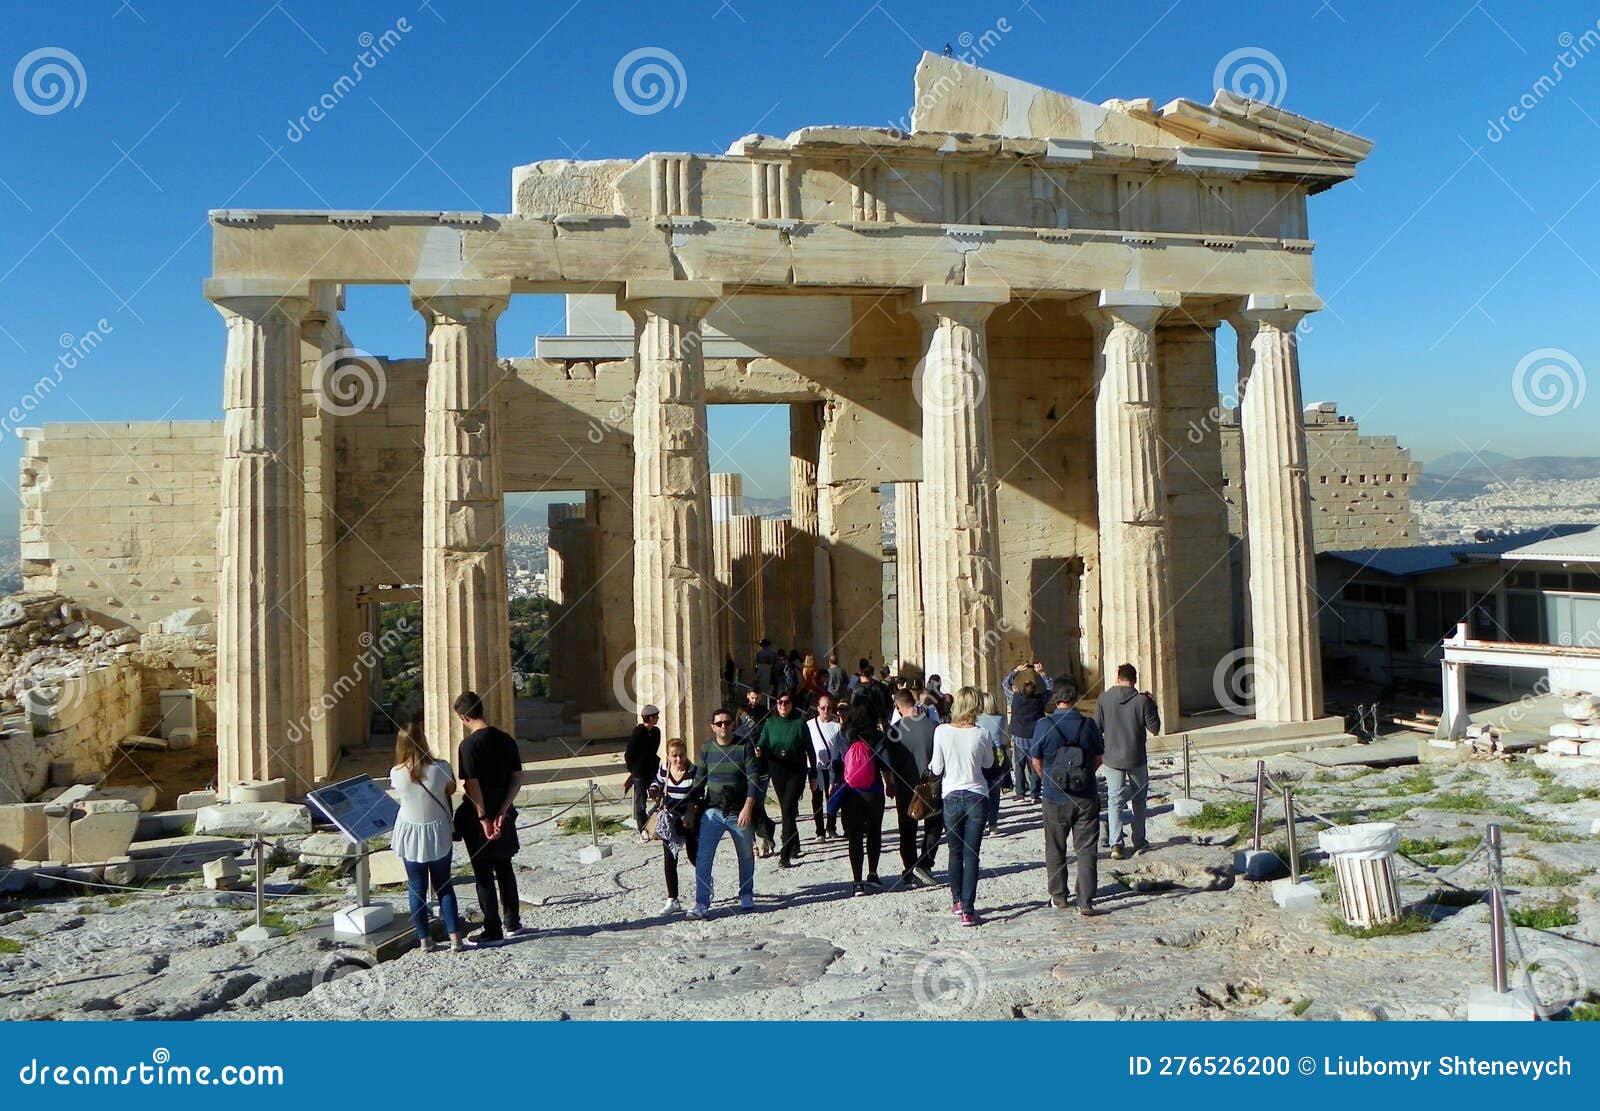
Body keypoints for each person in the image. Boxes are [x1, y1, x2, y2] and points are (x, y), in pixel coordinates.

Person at [390, 713, 466, 952]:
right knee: (444, 884)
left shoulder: (396, 772)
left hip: (410, 832)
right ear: (423, 740)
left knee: (416, 886)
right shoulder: (442, 767)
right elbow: (450, 790)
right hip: (438, 830)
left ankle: (424, 940)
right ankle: (455, 937)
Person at [1029, 679, 1105, 916]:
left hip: (1054, 796)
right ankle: (1085, 900)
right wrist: (1084, 777)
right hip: (1085, 795)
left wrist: (1048, 779)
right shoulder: (1088, 724)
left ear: (1056, 699)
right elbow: (1099, 757)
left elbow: (1035, 760)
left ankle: (1059, 896)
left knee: (1054, 847)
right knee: (1086, 848)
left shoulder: (1044, 724)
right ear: (1075, 699)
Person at [453, 690, 523, 943]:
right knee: (505, 868)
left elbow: (472, 785)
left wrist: (484, 818)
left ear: (464, 717)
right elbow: (517, 778)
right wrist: (503, 810)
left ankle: (492, 929)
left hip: (477, 816)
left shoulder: (469, 745)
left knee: (483, 873)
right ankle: (513, 923)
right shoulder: (506, 740)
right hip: (504, 812)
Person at [688, 708, 762, 918]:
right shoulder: (706, 749)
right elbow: (699, 781)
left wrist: (748, 807)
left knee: (746, 855)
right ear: (713, 727)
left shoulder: (744, 746)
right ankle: (702, 902)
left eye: (727, 722)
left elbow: (753, 779)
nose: (723, 726)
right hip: (713, 811)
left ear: (733, 725)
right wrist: (691, 810)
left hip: (739, 811)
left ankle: (746, 893)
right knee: (703, 857)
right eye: (719, 723)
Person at [932, 687, 994, 926]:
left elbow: (937, 768)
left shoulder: (941, 731)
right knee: (972, 854)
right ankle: (969, 908)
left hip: (951, 795)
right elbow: (988, 763)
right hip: (976, 795)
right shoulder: (982, 733)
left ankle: (957, 900)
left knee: (955, 851)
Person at [1095, 663, 1161, 859]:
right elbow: (1155, 728)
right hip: (1136, 757)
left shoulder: (1103, 698)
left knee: (1114, 801)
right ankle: (1139, 840)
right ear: (1135, 680)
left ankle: (1116, 844)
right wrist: (1152, 703)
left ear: (1118, 678)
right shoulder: (1142, 701)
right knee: (1139, 801)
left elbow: (1096, 727)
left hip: (1112, 757)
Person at [829, 702, 893, 896]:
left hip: (850, 791)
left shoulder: (842, 735)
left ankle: (857, 881)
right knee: (874, 832)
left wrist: (833, 783)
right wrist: (889, 784)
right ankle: (872, 874)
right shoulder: (878, 736)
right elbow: (886, 764)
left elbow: (835, 763)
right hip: (873, 790)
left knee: (855, 836)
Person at [886, 688, 940, 887]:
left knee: (907, 831)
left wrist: (890, 783)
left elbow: (890, 762)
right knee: (934, 825)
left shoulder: (894, 732)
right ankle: (925, 862)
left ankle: (909, 870)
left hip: (905, 786)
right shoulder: (934, 726)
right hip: (930, 785)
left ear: (898, 707)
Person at [757, 692, 812, 867]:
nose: (783, 706)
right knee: (787, 810)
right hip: (777, 769)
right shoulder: (770, 723)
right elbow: (763, 742)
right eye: (779, 702)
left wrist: (814, 776)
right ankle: (794, 843)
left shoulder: (800, 723)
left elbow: (810, 749)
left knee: (787, 809)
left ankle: (785, 854)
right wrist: (758, 750)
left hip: (796, 770)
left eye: (786, 703)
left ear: (792, 704)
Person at [651, 738, 698, 915]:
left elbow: (698, 794)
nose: (679, 759)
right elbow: (656, 781)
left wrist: (691, 813)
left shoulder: (693, 771)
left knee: (694, 856)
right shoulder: (665, 768)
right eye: (675, 756)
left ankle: (705, 888)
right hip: (670, 819)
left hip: (689, 819)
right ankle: (672, 899)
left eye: (682, 755)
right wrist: (654, 789)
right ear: (669, 757)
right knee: (670, 860)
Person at [1004, 664, 1050, 802]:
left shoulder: (1015, 698)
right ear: (1035, 691)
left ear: (1022, 690)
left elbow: (1005, 684)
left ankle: (1020, 793)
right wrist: (1041, 673)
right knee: (1035, 765)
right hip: (1035, 737)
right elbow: (1050, 688)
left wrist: (1016, 671)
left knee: (1019, 766)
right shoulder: (1040, 700)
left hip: (1019, 737)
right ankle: (1035, 794)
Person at [806, 694, 845, 840]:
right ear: (818, 708)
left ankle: (831, 827)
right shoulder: (809, 725)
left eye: (829, 707)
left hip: (832, 768)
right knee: (816, 799)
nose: (826, 710)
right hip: (815, 768)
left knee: (832, 798)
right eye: (823, 707)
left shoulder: (837, 726)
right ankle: (819, 831)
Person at [623, 705, 662, 844]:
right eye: (656, 716)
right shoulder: (638, 732)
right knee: (640, 802)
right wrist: (633, 771)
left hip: (653, 770)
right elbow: (630, 754)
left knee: (660, 797)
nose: (658, 718)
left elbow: (653, 750)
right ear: (650, 718)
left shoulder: (656, 732)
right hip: (639, 773)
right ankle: (643, 829)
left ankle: (654, 824)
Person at [977, 692, 1007, 835]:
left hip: (983, 754)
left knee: (982, 790)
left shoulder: (978, 719)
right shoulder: (1001, 718)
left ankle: (981, 824)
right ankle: (993, 824)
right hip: (998, 754)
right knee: (994, 792)